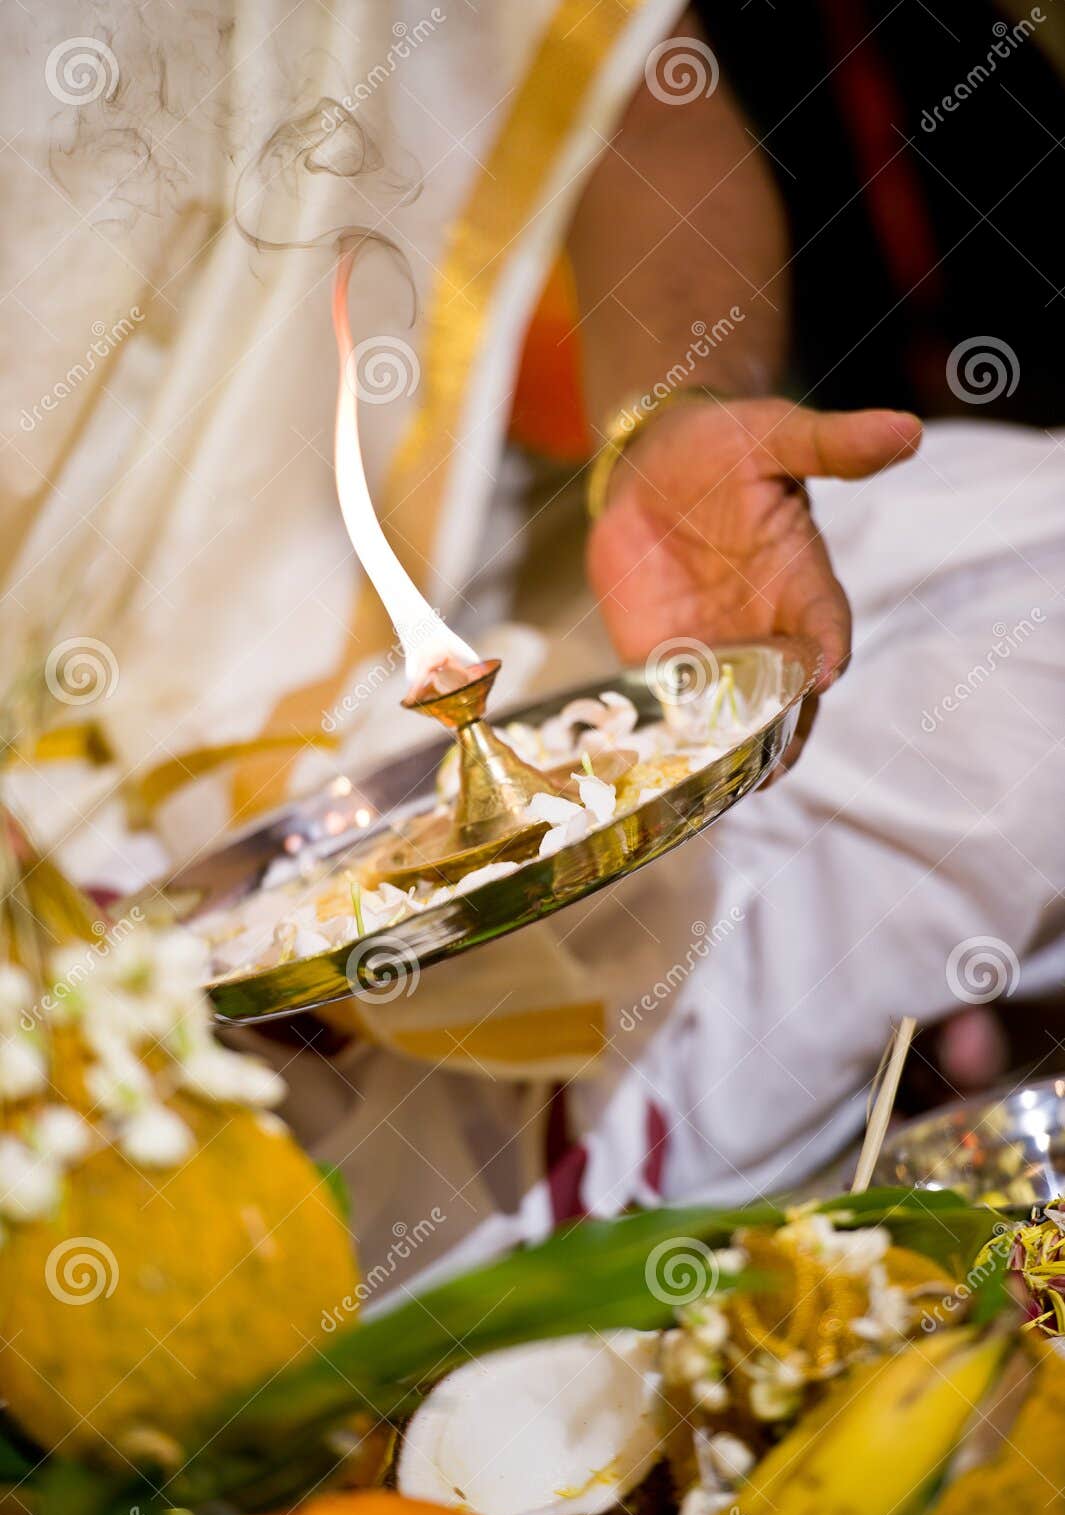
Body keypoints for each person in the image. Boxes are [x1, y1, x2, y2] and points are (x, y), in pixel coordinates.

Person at [2, 3, 1063, 1287]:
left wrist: (671, 415)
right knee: (186, 1266)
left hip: (535, 609)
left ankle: (605, 1154)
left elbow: (645, 105)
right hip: (70, 846)